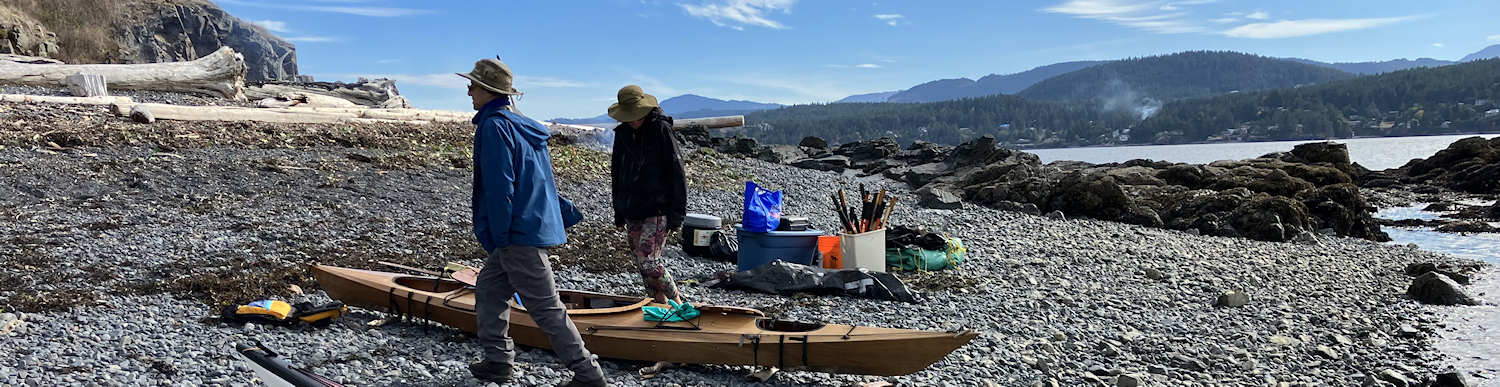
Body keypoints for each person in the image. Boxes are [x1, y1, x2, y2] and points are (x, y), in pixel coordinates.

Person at [460, 58, 606, 387]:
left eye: (472, 85)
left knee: (545, 308)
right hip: (529, 226)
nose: (468, 91)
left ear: (488, 90)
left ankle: (588, 374)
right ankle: (498, 362)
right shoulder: (521, 124)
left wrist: (499, 237)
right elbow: (542, 181)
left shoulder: (495, 126)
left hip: (516, 232)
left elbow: (500, 188)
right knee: (489, 289)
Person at [608, 85, 687, 305]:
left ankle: (678, 302)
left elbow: (676, 172)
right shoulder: (622, 133)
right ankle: (658, 302)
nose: (632, 120)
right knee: (641, 263)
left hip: (657, 207)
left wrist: (677, 214)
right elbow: (617, 173)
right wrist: (618, 210)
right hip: (631, 207)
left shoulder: (661, 130)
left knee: (649, 262)